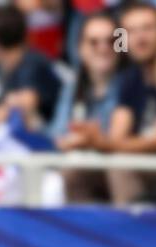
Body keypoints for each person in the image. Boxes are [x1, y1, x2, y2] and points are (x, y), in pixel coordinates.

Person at [68, 1, 156, 206]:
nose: (140, 38)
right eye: (131, 31)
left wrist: (102, 143)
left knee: (121, 166)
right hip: (143, 163)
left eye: (147, 29)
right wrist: (97, 140)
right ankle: (84, 234)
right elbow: (117, 136)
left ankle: (124, 236)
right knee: (75, 172)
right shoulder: (131, 77)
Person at [52, 11, 124, 203]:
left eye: (110, 41)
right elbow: (58, 133)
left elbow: (124, 140)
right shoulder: (74, 85)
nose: (103, 48)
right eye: (93, 42)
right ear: (80, 48)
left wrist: (90, 139)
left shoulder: (131, 83)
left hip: (120, 169)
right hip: (81, 167)